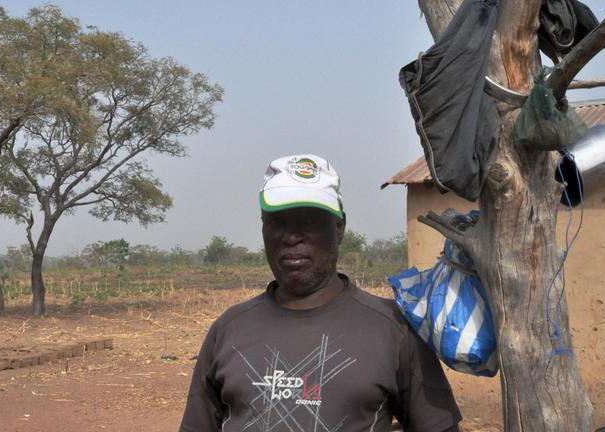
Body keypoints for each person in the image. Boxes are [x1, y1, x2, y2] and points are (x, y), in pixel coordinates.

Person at [179, 154, 461, 431]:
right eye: (277, 221)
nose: (291, 237)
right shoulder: (229, 329)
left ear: (339, 228)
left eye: (308, 221)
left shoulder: (394, 328)